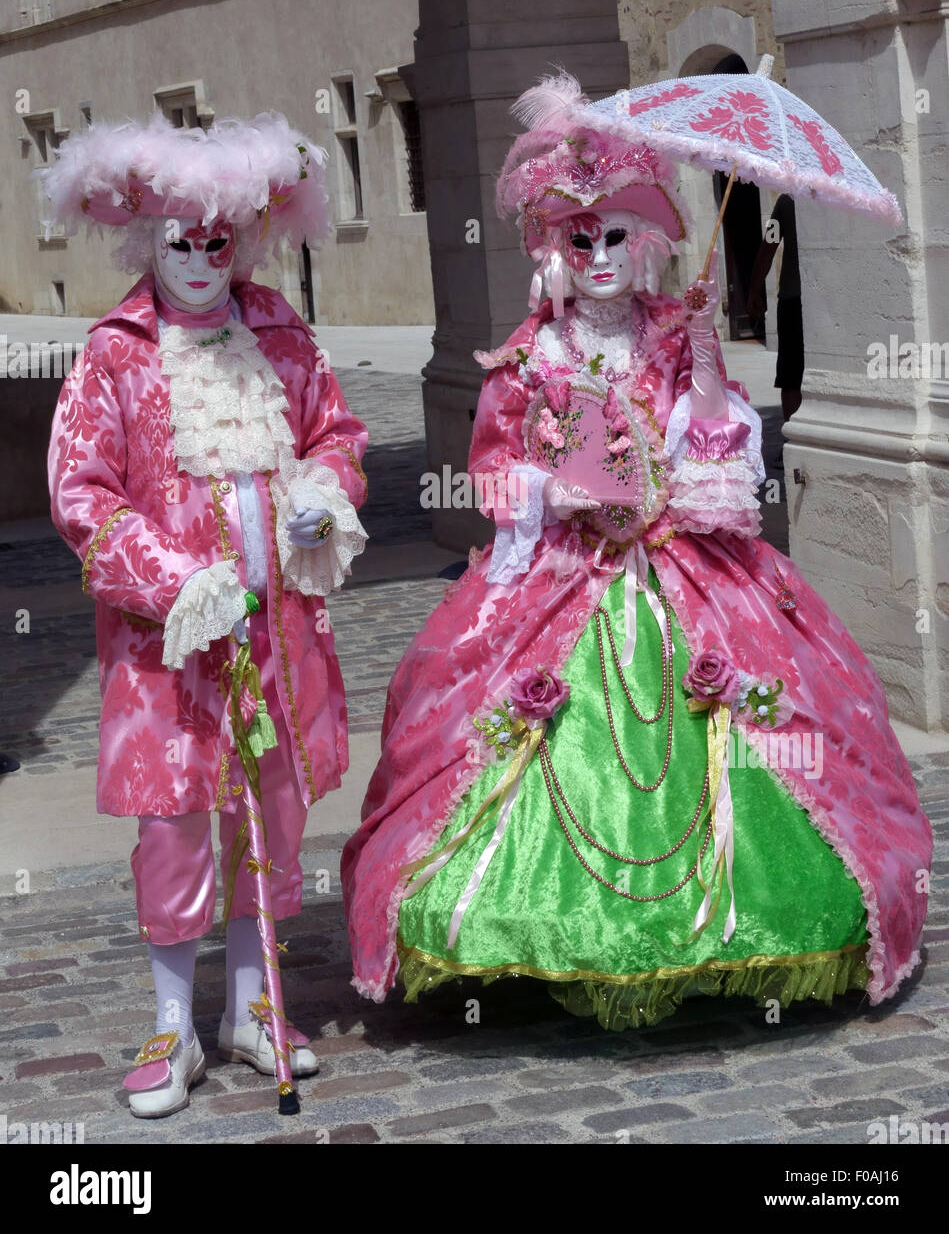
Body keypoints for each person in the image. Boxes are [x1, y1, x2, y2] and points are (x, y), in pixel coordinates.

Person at [341, 74, 931, 1032]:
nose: (600, 253)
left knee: (763, 715)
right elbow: (494, 474)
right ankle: (530, 942)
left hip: (688, 571)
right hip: (563, 578)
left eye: (615, 233)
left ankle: (743, 931)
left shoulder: (673, 331)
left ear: (646, 237)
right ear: (552, 248)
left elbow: (722, 460)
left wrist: (703, 377)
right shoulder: (529, 359)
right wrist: (549, 490)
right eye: (580, 237)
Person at [44, 114, 368, 1115]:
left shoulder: (279, 331)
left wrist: (324, 489)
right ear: (148, 243)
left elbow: (335, 430)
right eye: (175, 241)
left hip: (275, 639)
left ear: (242, 239)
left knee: (268, 816)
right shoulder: (114, 355)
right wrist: (171, 577)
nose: (195, 258)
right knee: (179, 825)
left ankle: (254, 1006)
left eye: (213, 240)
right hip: (167, 651)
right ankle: (176, 1023)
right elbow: (81, 492)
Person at [747, 193, 804, 426]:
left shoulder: (787, 200)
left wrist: (755, 289)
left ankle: (791, 435)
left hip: (792, 298)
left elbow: (768, 245)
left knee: (790, 375)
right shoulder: (834, 196)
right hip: (817, 299)